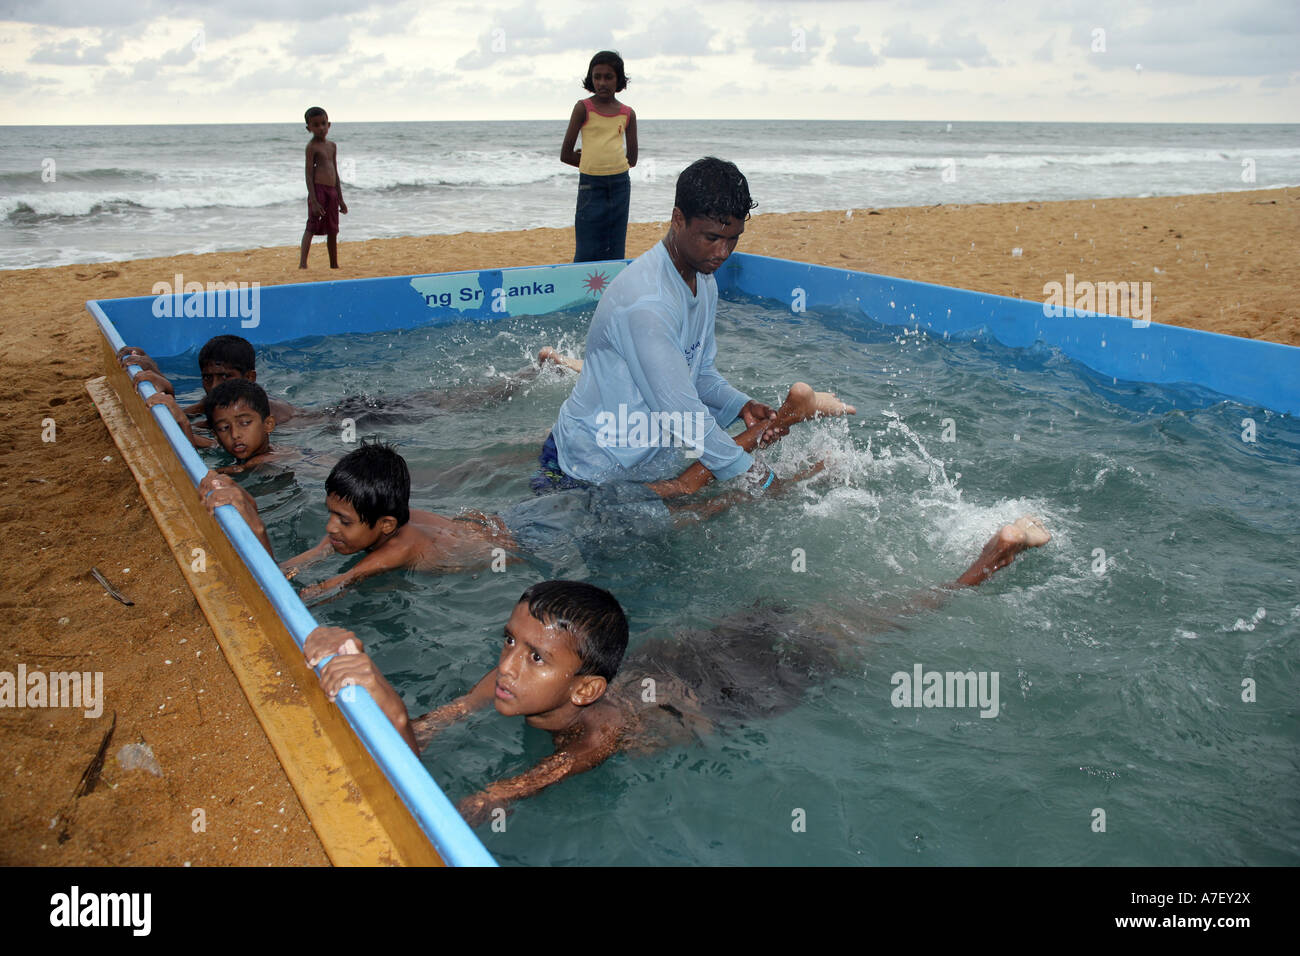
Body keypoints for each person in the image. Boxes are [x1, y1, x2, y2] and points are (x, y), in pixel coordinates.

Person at [305, 516, 1051, 825]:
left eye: (533, 656)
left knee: (868, 625)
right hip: (684, 658)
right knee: (811, 616)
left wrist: (397, 735)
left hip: (745, 690)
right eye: (510, 642)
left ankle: (983, 565)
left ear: (583, 688)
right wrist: (397, 715)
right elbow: (432, 728)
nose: (506, 667)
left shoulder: (592, 737)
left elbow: (486, 800)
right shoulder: (508, 683)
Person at [201, 383, 849, 599]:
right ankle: (785, 431)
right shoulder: (386, 521)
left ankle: (789, 447)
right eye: (333, 519)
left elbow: (322, 589)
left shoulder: (387, 550)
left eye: (343, 522)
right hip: (528, 513)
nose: (334, 532)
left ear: (383, 527)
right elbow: (312, 560)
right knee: (680, 487)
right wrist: (296, 557)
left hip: (544, 530)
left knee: (693, 506)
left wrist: (260, 546)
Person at [541, 156, 785, 495]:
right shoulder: (647, 304)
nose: (723, 252)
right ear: (678, 219)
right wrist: (760, 477)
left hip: (636, 461)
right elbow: (681, 413)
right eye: (712, 237)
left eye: (733, 239)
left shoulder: (703, 277)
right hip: (585, 469)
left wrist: (740, 405)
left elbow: (698, 372)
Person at [561, 51, 637, 263]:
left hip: (620, 185)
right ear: (591, 79)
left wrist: (609, 162)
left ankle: (612, 292)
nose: (602, 82)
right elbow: (565, 154)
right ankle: (582, 291)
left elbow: (632, 159)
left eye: (609, 77)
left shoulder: (627, 113)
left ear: (619, 80)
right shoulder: (583, 108)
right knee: (587, 246)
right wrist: (590, 161)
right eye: (597, 77)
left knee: (615, 246)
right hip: (591, 186)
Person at [204, 379, 286, 474]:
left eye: (245, 423)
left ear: (268, 424)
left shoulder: (281, 461)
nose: (234, 434)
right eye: (224, 428)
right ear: (216, 436)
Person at [299, 106, 347, 269]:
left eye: (323, 123)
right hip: (318, 191)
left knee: (333, 229)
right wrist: (313, 199)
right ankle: (303, 264)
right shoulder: (311, 147)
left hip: (332, 191)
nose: (321, 128)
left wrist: (340, 199)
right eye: (316, 125)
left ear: (329, 124)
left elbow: (335, 172)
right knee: (311, 226)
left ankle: (334, 264)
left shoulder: (332, 146)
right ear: (309, 128)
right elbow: (308, 174)